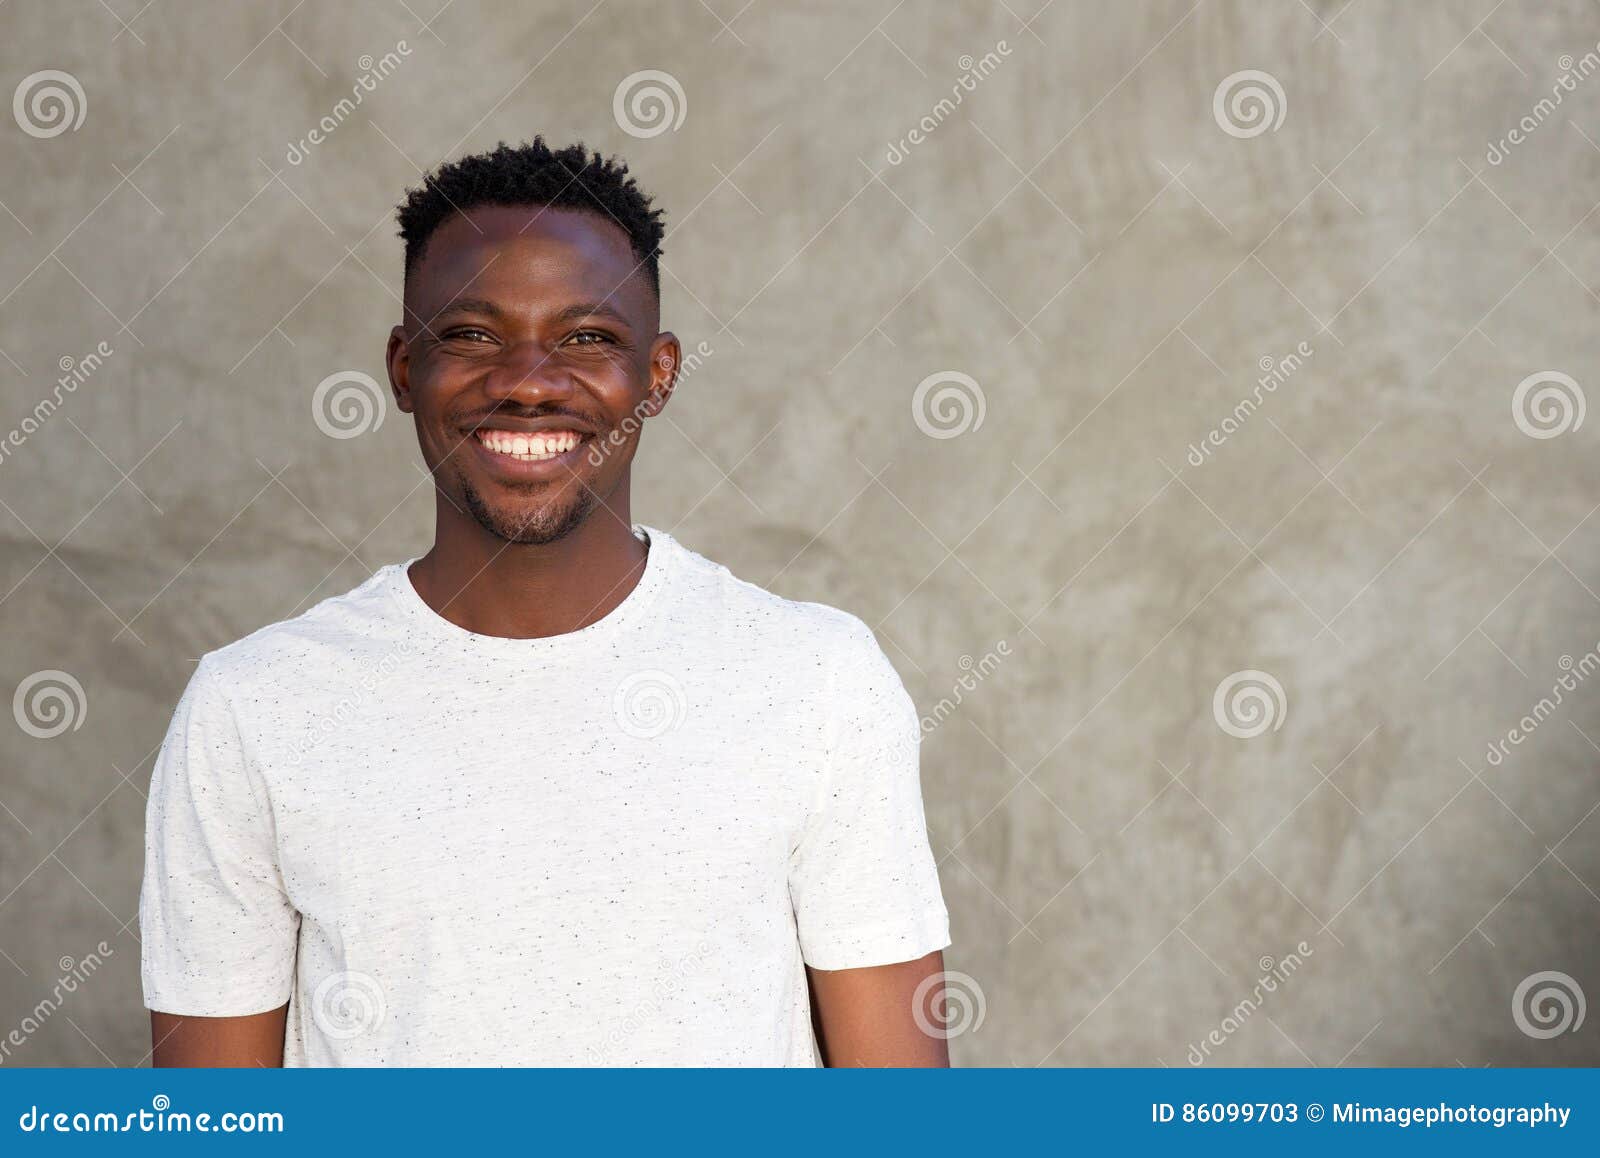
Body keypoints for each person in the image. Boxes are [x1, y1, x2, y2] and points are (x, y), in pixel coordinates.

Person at [139, 138, 952, 1066]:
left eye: (589, 338)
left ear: (658, 374)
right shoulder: (254, 707)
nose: (528, 382)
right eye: (474, 335)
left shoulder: (818, 681)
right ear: (405, 369)